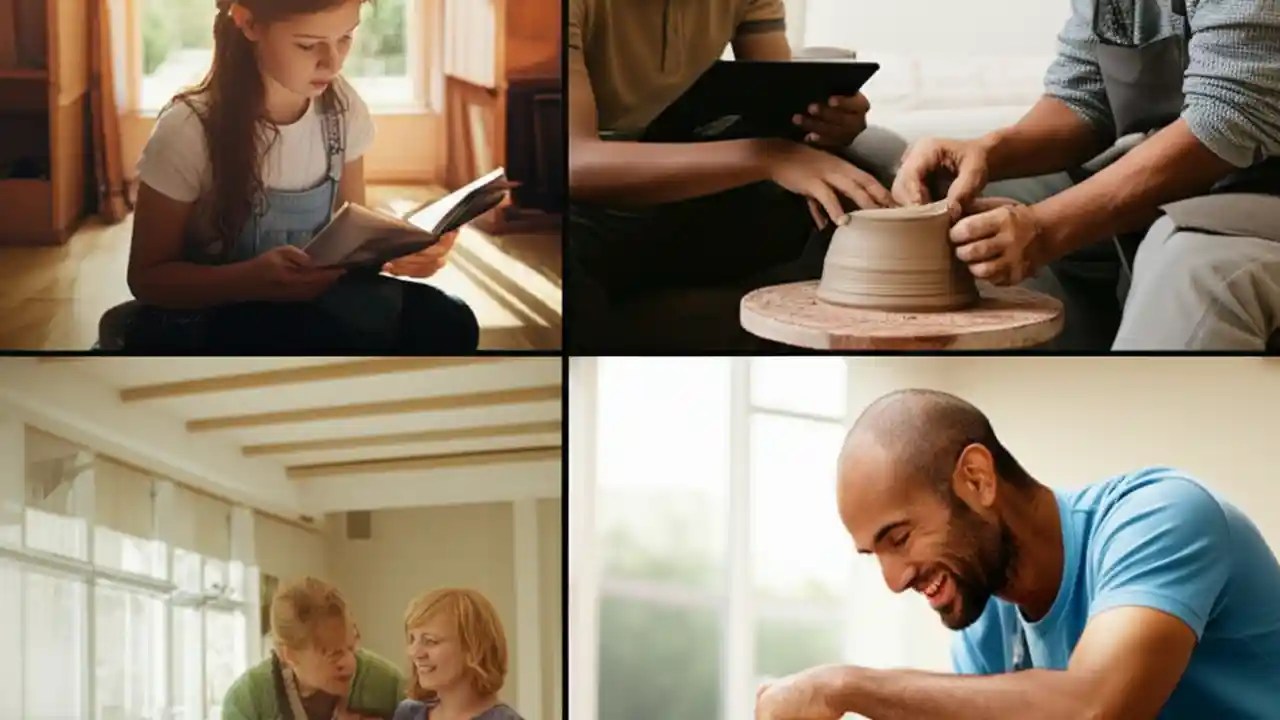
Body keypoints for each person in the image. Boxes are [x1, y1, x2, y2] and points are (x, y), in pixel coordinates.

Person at [755, 389, 1280, 719]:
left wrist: (844, 687)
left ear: (977, 479)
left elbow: (1094, 708)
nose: (894, 580)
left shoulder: (1160, 517)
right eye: (874, 555)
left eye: (899, 538)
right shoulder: (985, 612)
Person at [892, 0, 1280, 351]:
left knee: (1189, 264)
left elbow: (1230, 118)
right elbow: (1083, 95)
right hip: (1206, 176)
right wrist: (985, 152)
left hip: (1263, 188)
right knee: (982, 203)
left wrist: (1044, 229)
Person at [126, 0, 479, 352]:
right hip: (219, 315)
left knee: (451, 320)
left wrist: (398, 253)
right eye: (308, 45)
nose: (334, 62)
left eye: (345, 38)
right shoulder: (187, 130)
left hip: (319, 303)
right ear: (248, 23)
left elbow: (351, 234)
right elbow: (147, 278)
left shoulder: (343, 109)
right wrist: (248, 281)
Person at [567, 0, 903, 351]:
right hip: (590, 201)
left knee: (845, 194)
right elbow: (573, 162)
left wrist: (825, 125)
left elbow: (778, 111)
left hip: (690, 170)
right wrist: (770, 157)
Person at [223, 577, 406, 720]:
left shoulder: (389, 685)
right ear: (289, 655)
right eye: (333, 654)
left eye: (351, 647)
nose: (350, 663)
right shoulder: (248, 701)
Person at [393, 588, 523, 720]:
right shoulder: (408, 713)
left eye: (430, 641)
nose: (414, 653)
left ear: (473, 648)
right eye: (412, 639)